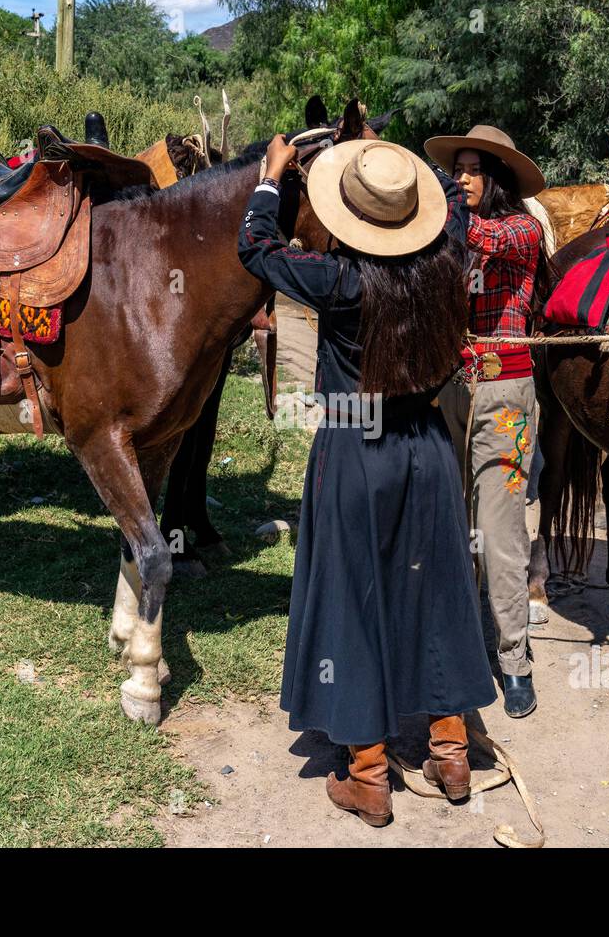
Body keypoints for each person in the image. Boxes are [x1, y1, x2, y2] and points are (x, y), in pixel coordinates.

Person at [238, 132, 497, 828]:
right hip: (428, 447)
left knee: (353, 596)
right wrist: (400, 160)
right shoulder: (449, 262)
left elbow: (256, 247)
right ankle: (450, 756)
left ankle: (369, 774)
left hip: (356, 448)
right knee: (438, 588)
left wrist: (269, 177)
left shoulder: (336, 279)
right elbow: (454, 209)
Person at [423, 126, 546, 717]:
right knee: (452, 525)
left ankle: (515, 659)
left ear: (495, 178)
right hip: (449, 388)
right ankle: (463, 640)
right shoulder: (447, 230)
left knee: (500, 532)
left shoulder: (521, 229)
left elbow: (477, 235)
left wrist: (441, 201)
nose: (462, 179)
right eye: (458, 170)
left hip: (505, 395)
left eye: (473, 170)